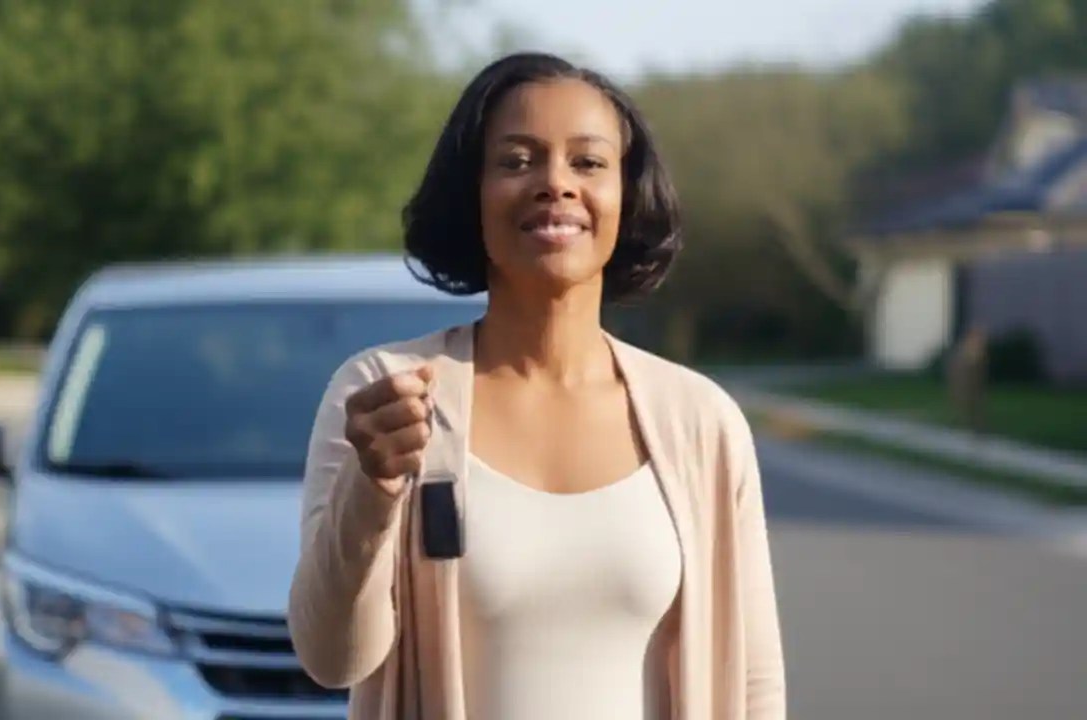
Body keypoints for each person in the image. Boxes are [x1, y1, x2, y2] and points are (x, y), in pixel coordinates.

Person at [288, 51, 786, 720]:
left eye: (588, 162)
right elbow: (332, 659)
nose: (556, 183)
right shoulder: (387, 395)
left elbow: (753, 685)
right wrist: (371, 489)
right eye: (517, 161)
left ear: (628, 193)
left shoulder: (701, 421)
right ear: (472, 194)